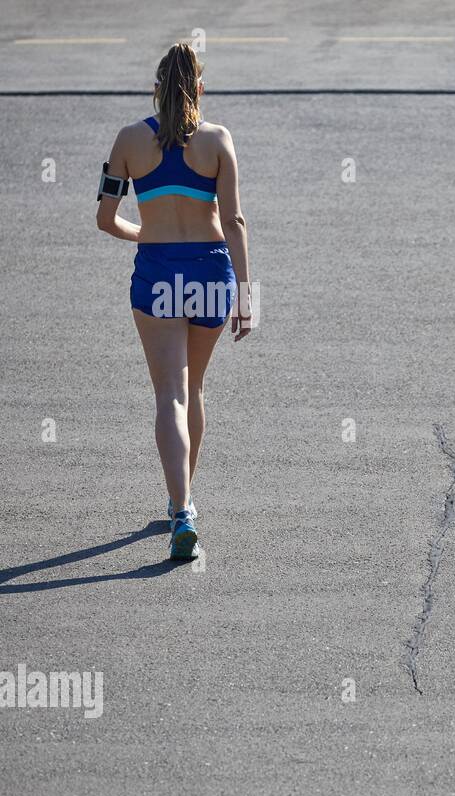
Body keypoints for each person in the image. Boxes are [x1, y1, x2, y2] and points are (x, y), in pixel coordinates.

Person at [96, 43, 252, 560]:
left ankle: (180, 508)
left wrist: (144, 234)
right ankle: (182, 499)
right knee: (196, 387)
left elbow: (105, 218)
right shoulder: (217, 140)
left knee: (171, 395)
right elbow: (233, 222)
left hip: (159, 270)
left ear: (155, 88)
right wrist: (247, 296)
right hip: (211, 269)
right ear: (200, 89)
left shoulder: (128, 141)